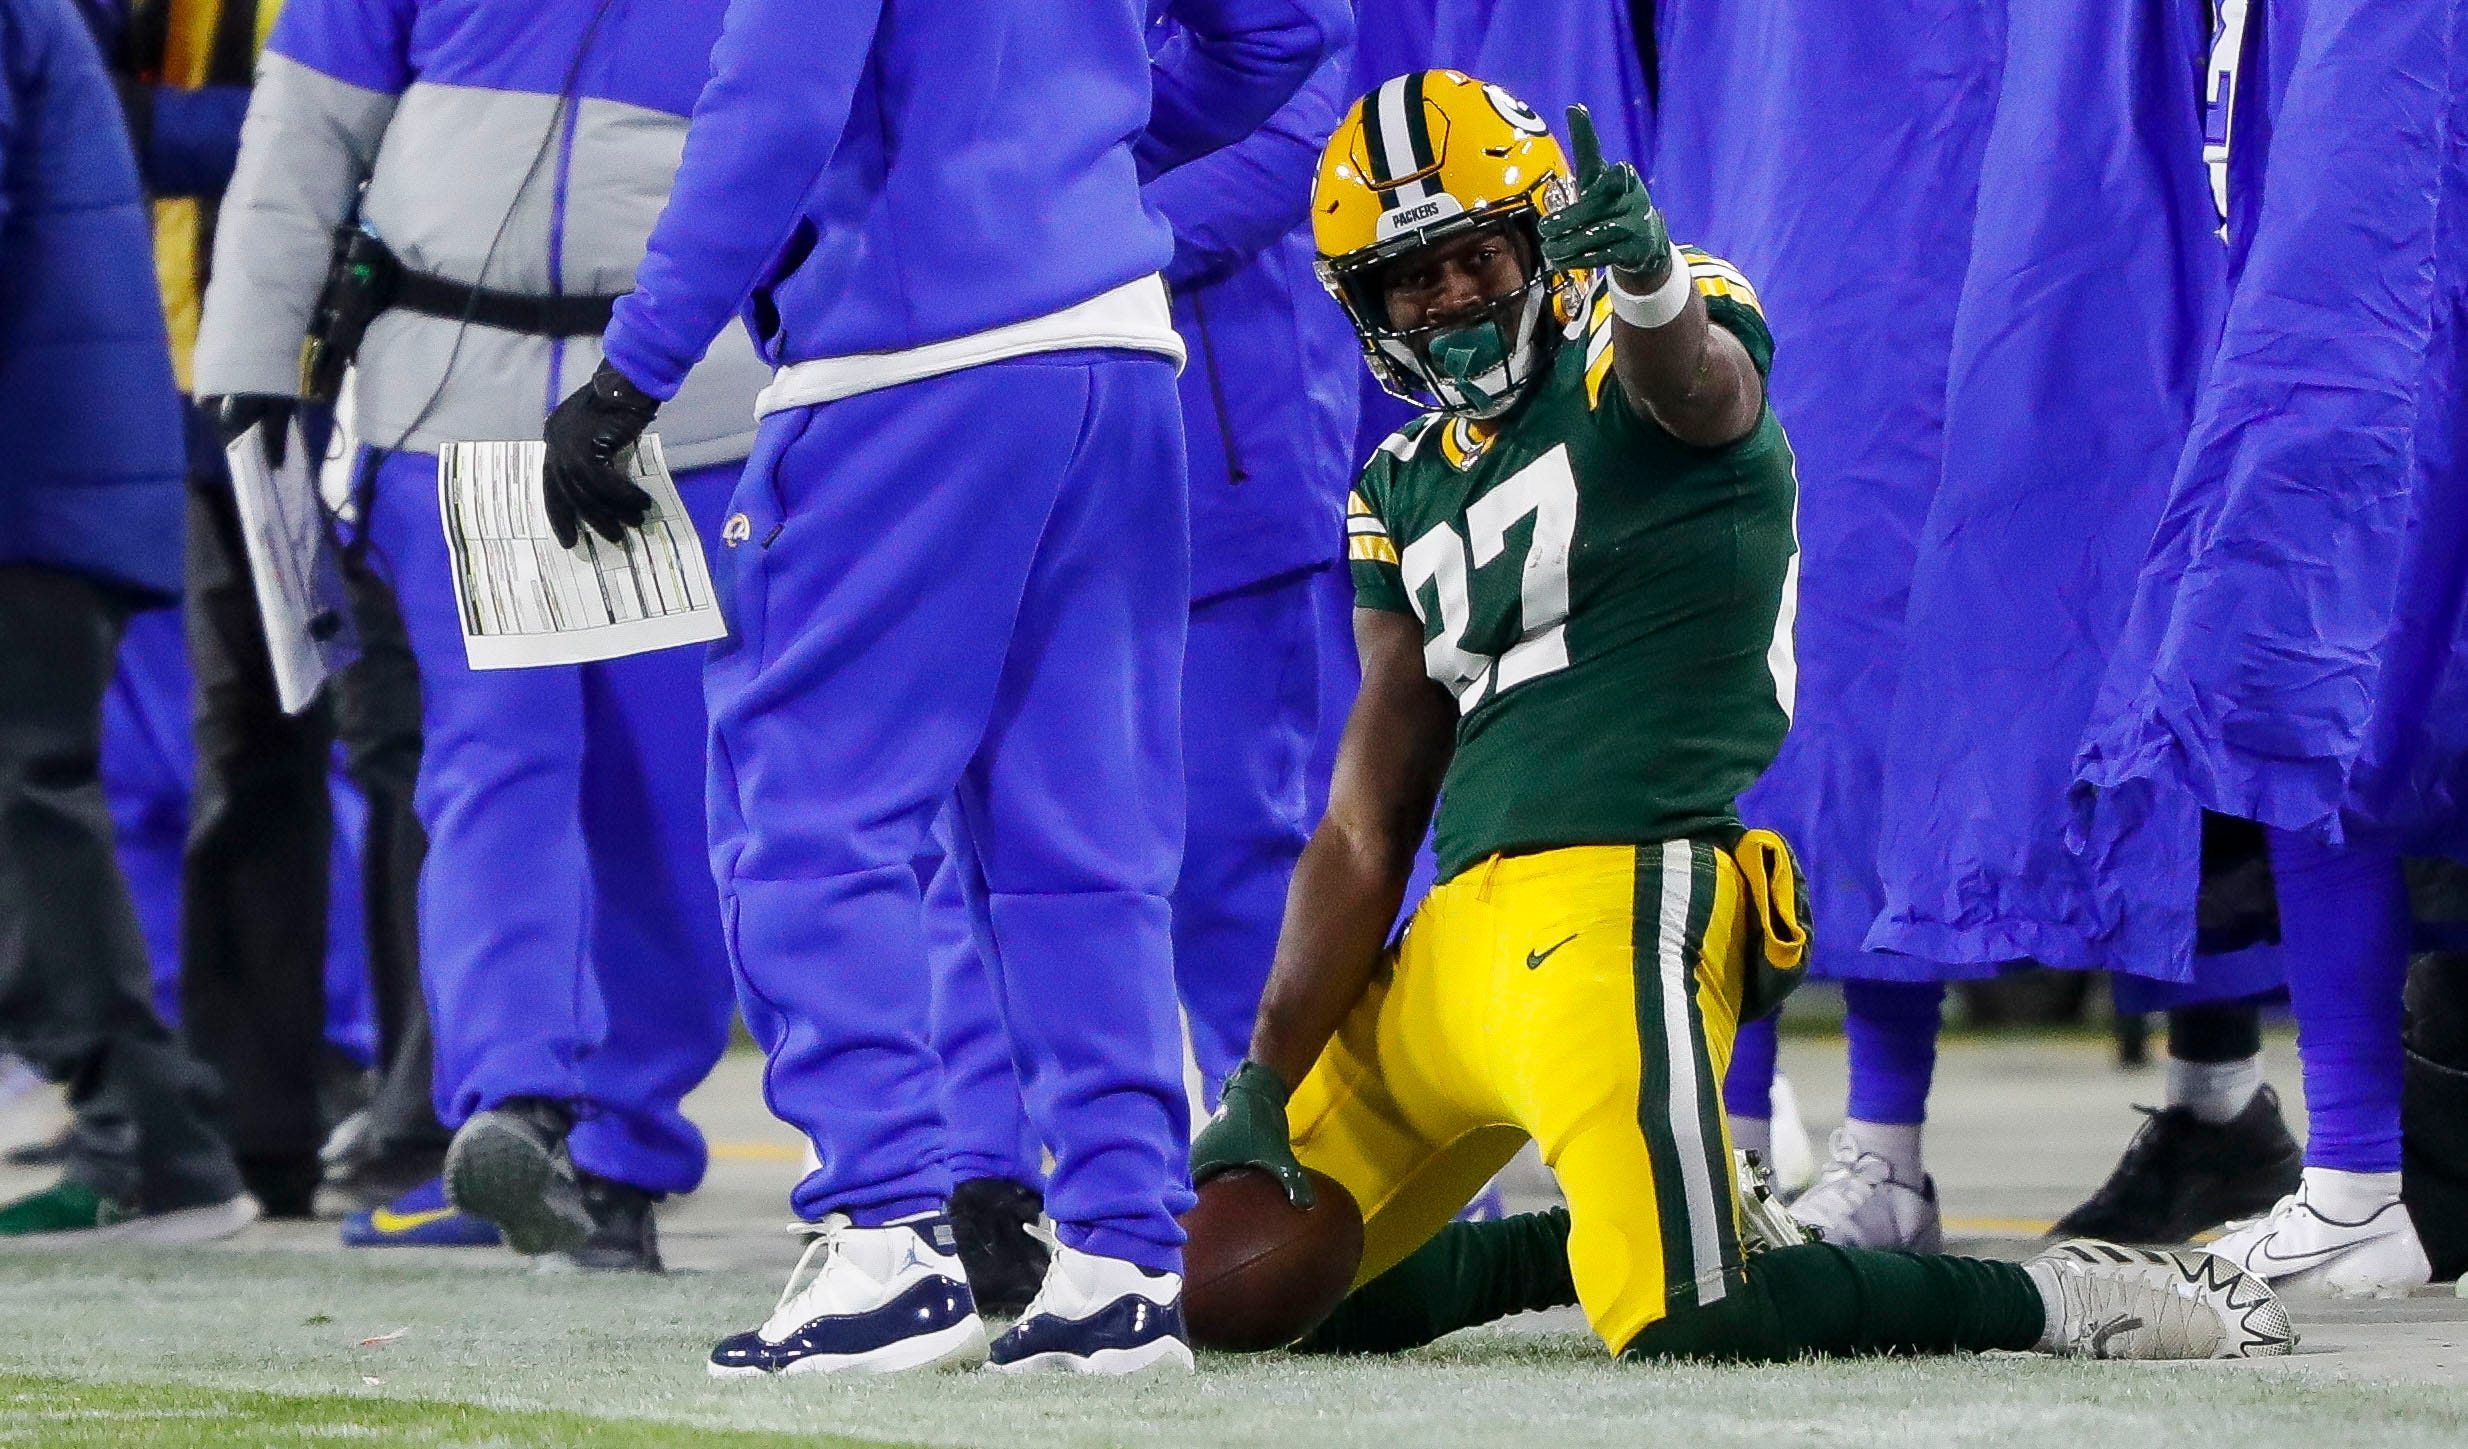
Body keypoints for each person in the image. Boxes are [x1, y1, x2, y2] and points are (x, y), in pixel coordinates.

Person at [1184, 72, 2292, 1365]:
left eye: (1474, 256)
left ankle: (2054, 1299)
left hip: (1621, 893)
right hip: (1453, 943)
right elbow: (1366, 823)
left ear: (1543, 236)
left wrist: (1647, 283)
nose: (1450, 301)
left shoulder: (1647, 336)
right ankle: (1610, 1230)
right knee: (1254, 1296)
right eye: (1408, 281)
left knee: (1689, 1321)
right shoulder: (1398, 482)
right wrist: (1265, 1072)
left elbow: (1701, 392)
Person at [543, 0, 1346, 1375]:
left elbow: (775, 107)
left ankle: (887, 1233)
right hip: (1115, 346)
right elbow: (1282, 30)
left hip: (909, 356)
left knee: (807, 808)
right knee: (1081, 840)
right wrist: (1067, 150)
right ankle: (1121, 1262)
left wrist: (634, 374)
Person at [194, 0, 762, 1269]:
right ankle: (520, 1107)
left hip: (680, 414)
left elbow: (826, 153)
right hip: (454, 409)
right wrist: (252, 366)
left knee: (658, 798)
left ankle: (615, 1146)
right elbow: (301, 137)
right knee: (495, 765)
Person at [928, 37, 1361, 1318]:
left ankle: (1302, 1163)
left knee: (1241, 847)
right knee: (986, 835)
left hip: (1224, 460)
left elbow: (1300, 133)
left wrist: (1041, 237)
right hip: (1001, 437)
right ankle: (986, 1180)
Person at [0, 0, 254, 1243]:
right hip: (60, 455)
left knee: (22, 802)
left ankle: (152, 1142)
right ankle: (151, 1137)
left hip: (34, 476)